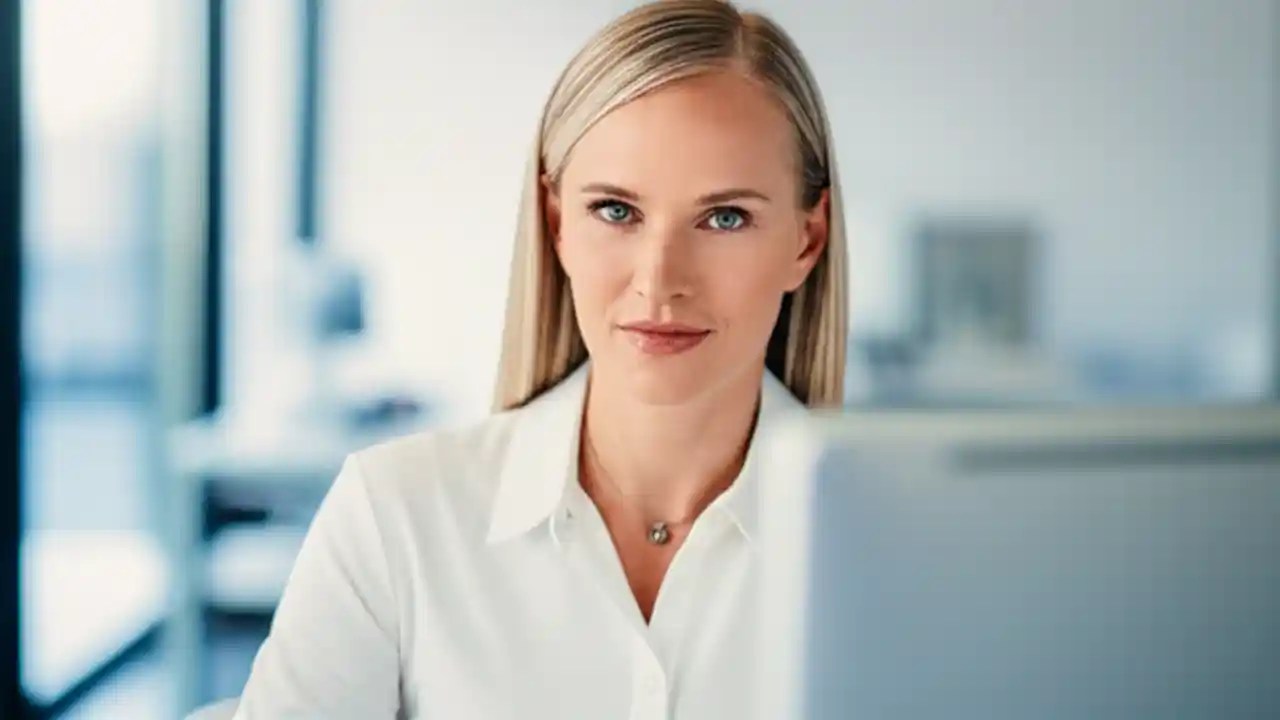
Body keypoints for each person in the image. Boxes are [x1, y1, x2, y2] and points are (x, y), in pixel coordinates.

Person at [233, 0, 847, 717]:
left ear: (806, 241)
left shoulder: (896, 554)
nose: (659, 278)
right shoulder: (394, 516)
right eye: (616, 211)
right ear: (557, 225)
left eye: (724, 217)